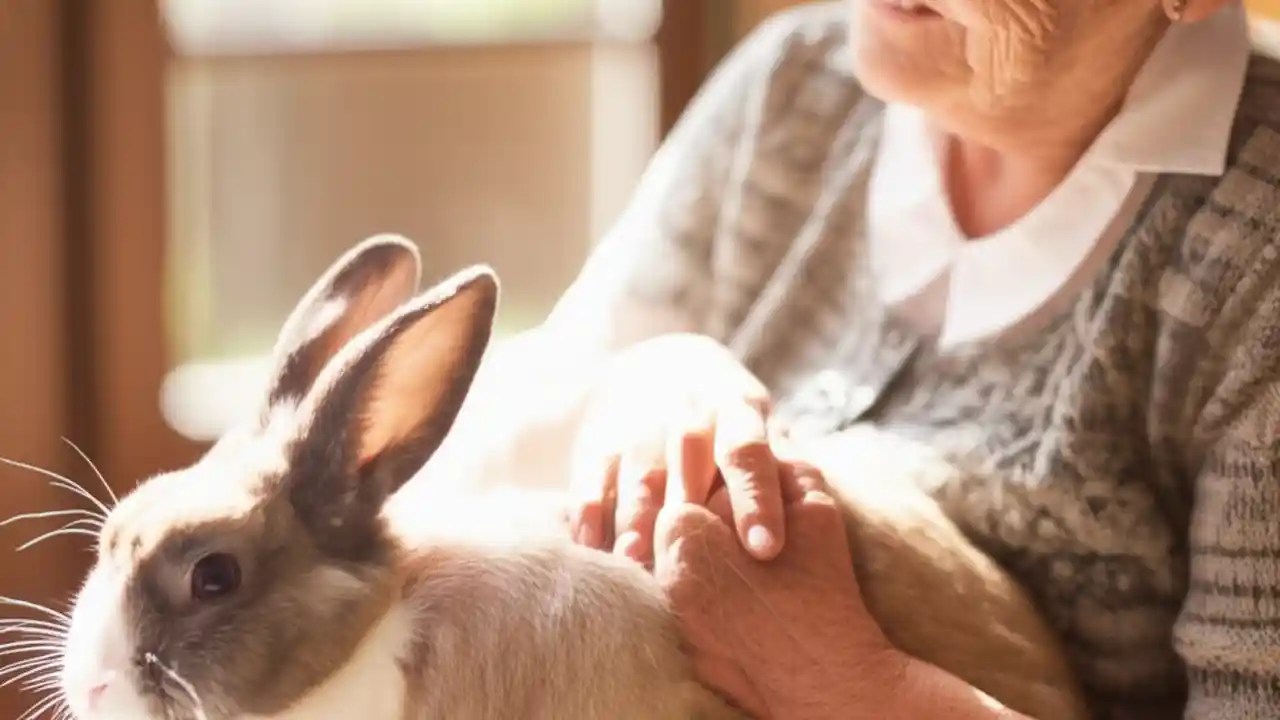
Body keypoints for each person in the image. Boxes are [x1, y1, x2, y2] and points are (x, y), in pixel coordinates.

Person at [423, 0, 1280, 716]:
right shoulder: (798, 84)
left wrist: (850, 685)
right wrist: (650, 376)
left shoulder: (1257, 252)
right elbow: (487, 438)